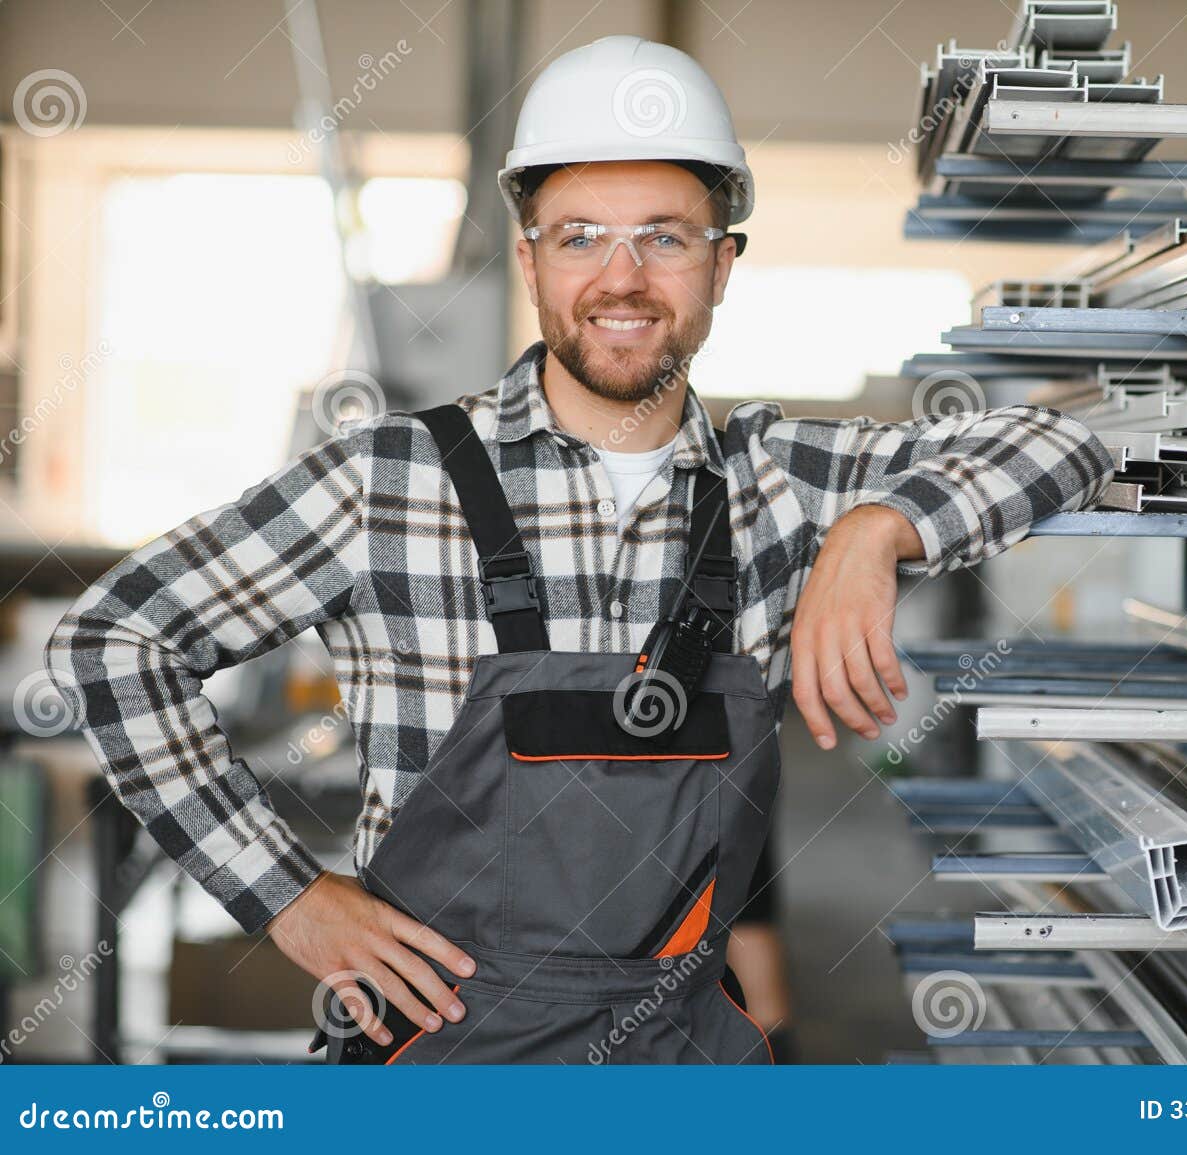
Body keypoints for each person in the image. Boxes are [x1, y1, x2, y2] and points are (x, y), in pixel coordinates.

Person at [45, 34, 1114, 1064]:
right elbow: (113, 640)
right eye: (580, 236)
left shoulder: (784, 482)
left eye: (665, 234)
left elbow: (1069, 439)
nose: (622, 276)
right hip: (436, 1059)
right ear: (531, 259)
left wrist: (879, 529)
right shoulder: (387, 481)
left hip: (677, 1061)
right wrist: (284, 893)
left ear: (722, 265)